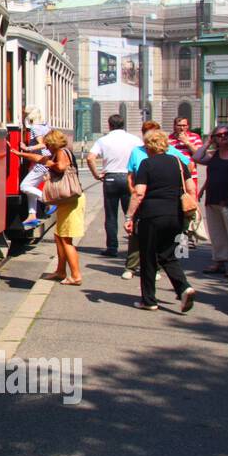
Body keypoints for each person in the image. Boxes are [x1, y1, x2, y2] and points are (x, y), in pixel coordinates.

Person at [124, 129, 198, 312]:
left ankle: (149, 300)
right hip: (175, 216)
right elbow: (191, 189)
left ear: (148, 146)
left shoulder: (146, 164)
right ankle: (184, 287)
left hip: (152, 216)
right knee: (167, 255)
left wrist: (129, 216)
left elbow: (139, 193)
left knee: (148, 257)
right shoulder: (178, 162)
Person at [120, 120, 190, 280]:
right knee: (136, 235)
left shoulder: (170, 152)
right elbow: (131, 176)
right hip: (141, 200)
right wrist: (134, 195)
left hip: (161, 202)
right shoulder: (137, 152)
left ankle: (155, 271)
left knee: (158, 239)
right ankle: (131, 266)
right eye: (146, 131)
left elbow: (187, 166)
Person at [15, 130, 83, 285]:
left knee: (66, 239)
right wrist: (19, 154)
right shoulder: (56, 153)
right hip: (66, 201)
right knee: (59, 237)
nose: (46, 147)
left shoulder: (61, 152)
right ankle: (60, 271)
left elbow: (61, 167)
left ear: (53, 143)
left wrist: (49, 163)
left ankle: (76, 275)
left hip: (71, 201)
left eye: (47, 144)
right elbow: (38, 158)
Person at [86, 114, 142, 258]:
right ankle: (134, 247)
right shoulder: (134, 140)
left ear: (109, 125)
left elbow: (90, 158)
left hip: (110, 178)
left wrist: (96, 175)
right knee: (130, 214)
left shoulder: (103, 140)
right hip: (129, 178)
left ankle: (112, 247)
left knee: (111, 215)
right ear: (124, 125)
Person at [193, 123, 228, 275]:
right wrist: (207, 143)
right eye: (219, 135)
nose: (223, 137)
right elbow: (196, 157)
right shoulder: (214, 154)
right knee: (216, 233)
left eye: (226, 134)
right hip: (213, 198)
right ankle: (220, 260)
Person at [19, 109, 52, 228]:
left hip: (40, 163)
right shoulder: (46, 127)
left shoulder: (35, 128)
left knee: (24, 186)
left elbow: (42, 144)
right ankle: (32, 216)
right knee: (31, 188)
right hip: (44, 161)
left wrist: (27, 148)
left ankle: (48, 200)